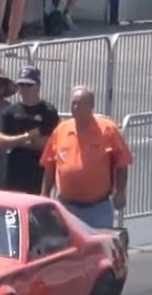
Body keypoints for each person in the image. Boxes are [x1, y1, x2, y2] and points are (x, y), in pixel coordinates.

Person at [42, 85, 131, 230]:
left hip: (97, 208)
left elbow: (122, 163)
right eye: (73, 103)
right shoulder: (61, 131)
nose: (76, 107)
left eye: (80, 103)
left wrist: (120, 192)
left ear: (91, 105)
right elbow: (50, 164)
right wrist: (45, 193)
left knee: (98, 250)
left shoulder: (108, 130)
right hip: (67, 207)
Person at [0, 66, 60, 195]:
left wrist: (15, 142)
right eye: (21, 85)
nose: (24, 89)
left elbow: (50, 144)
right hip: (14, 175)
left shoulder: (48, 111)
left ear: (38, 86)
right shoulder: (9, 112)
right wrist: (27, 137)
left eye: (28, 85)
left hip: (39, 176)